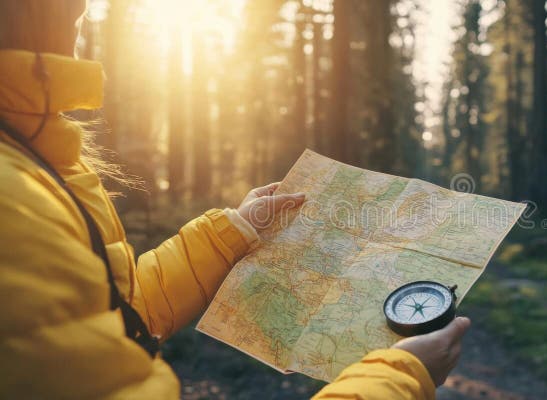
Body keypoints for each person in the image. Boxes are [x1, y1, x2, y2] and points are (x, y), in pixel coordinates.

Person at [0, 1, 470, 398]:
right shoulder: (12, 197)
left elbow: (106, 318)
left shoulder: (28, 153)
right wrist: (399, 380)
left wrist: (234, 232)